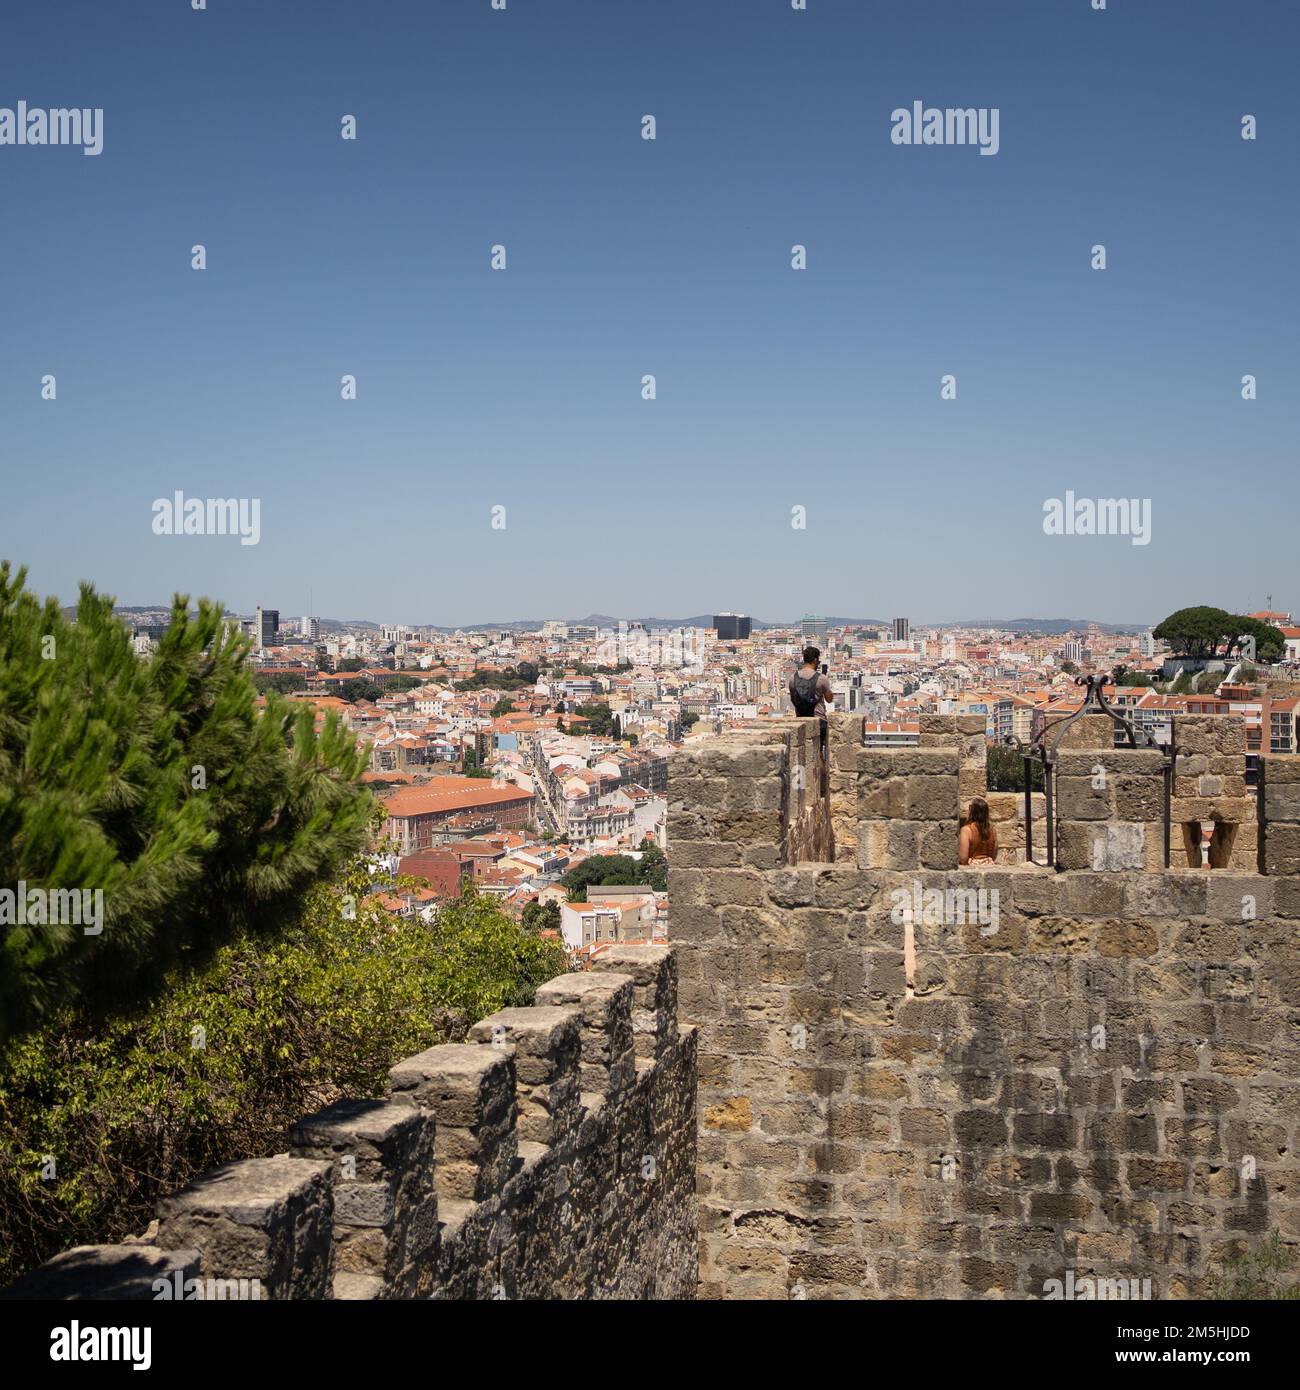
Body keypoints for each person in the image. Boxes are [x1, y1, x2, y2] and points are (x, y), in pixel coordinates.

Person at [788, 646, 833, 720]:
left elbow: (793, 699)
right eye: (818, 661)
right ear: (815, 660)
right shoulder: (821, 678)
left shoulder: (793, 678)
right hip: (819, 719)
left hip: (801, 720)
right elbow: (829, 700)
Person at [959, 797, 998, 865]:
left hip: (972, 870)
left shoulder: (966, 830)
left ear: (972, 811)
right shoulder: (993, 830)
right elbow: (994, 855)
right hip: (989, 867)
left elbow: (963, 858)